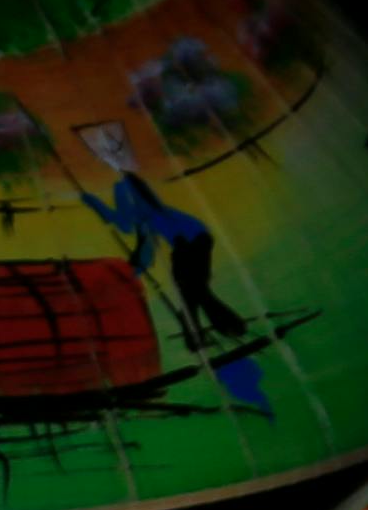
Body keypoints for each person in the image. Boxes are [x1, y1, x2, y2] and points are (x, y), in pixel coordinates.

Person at [76, 124, 261, 404]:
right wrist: (134, 266)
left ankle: (209, 329)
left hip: (189, 240)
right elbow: (137, 234)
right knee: (192, 288)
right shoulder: (132, 190)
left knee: (193, 288)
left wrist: (95, 206)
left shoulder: (129, 188)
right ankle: (211, 329)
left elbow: (125, 224)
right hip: (188, 239)